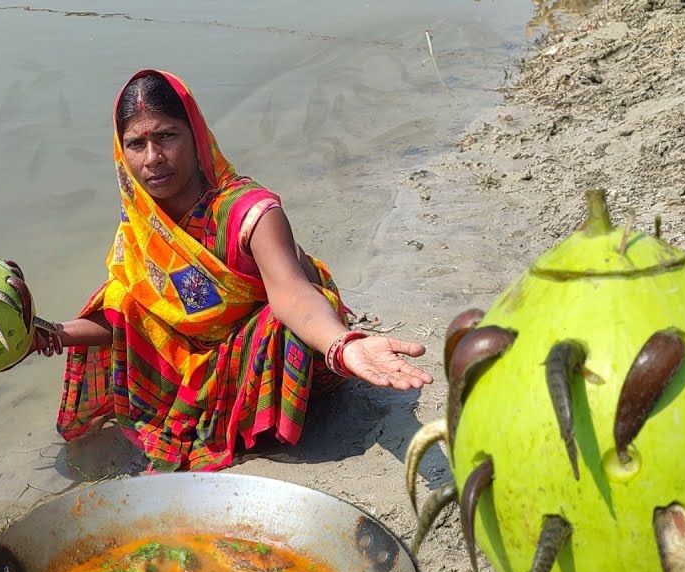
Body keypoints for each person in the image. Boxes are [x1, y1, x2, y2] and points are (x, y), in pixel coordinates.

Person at [34, 69, 434, 472]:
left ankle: (247, 423)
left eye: (166, 136)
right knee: (118, 294)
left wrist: (343, 345)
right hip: (207, 357)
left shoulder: (249, 212)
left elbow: (292, 295)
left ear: (196, 134)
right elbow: (133, 317)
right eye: (136, 144)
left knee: (279, 328)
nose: (153, 158)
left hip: (293, 359)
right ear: (122, 153)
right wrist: (48, 334)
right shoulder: (143, 220)